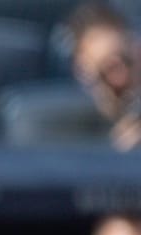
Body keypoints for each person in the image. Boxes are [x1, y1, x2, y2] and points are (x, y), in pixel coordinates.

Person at [66, 2, 141, 151]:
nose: (122, 75)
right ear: (83, 71)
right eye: (107, 68)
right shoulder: (67, 124)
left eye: (126, 60)